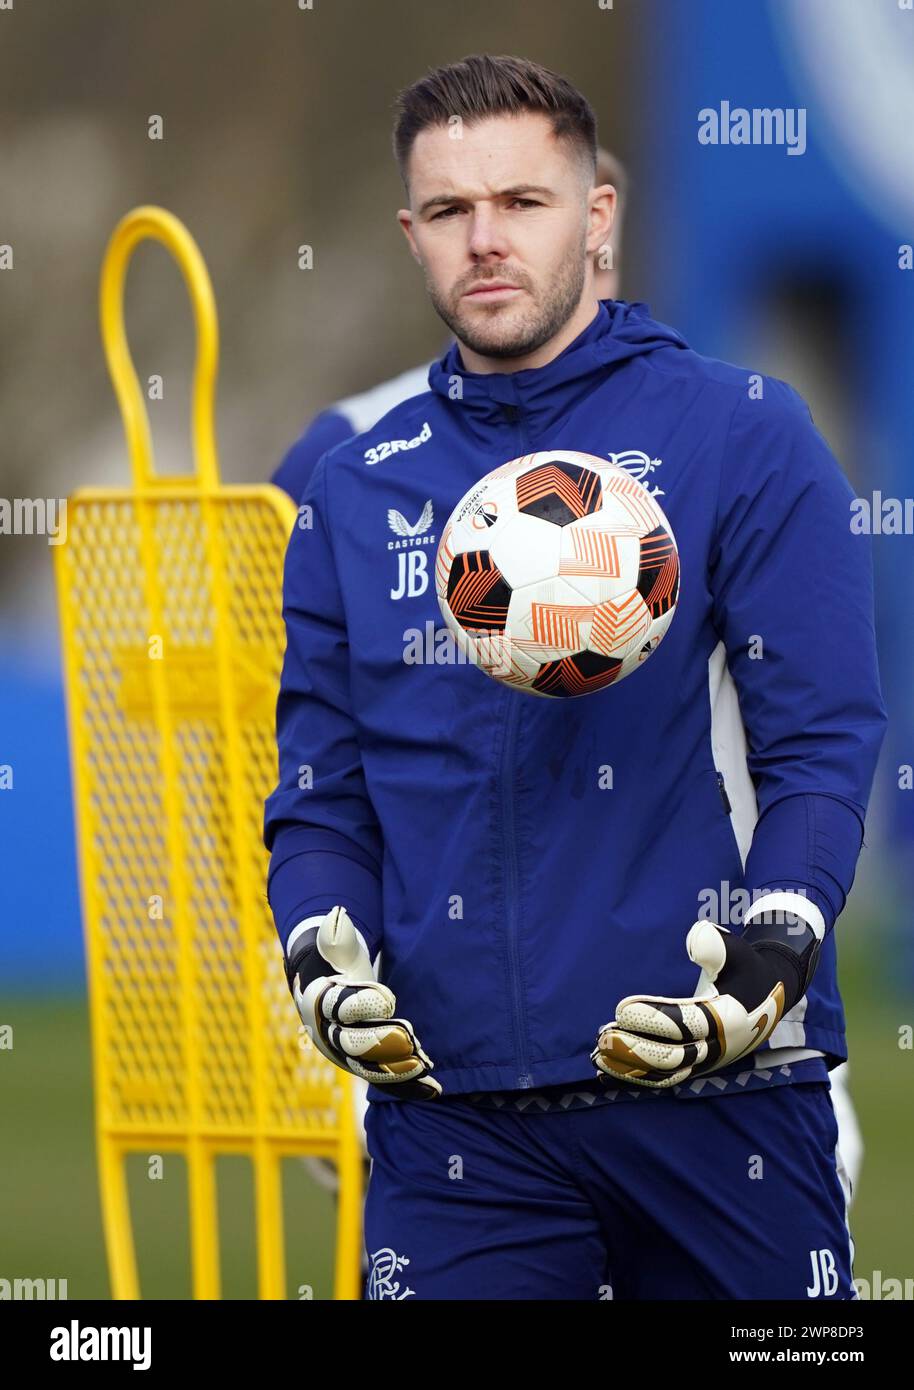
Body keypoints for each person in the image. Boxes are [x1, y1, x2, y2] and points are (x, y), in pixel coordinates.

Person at [264, 54, 886, 1299]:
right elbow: (319, 795)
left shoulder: (741, 434)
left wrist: (772, 951)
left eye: (521, 203)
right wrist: (320, 960)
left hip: (720, 1087)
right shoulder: (353, 486)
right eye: (448, 212)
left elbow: (817, 746)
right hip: (455, 1122)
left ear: (596, 217)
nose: (484, 240)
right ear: (410, 233)